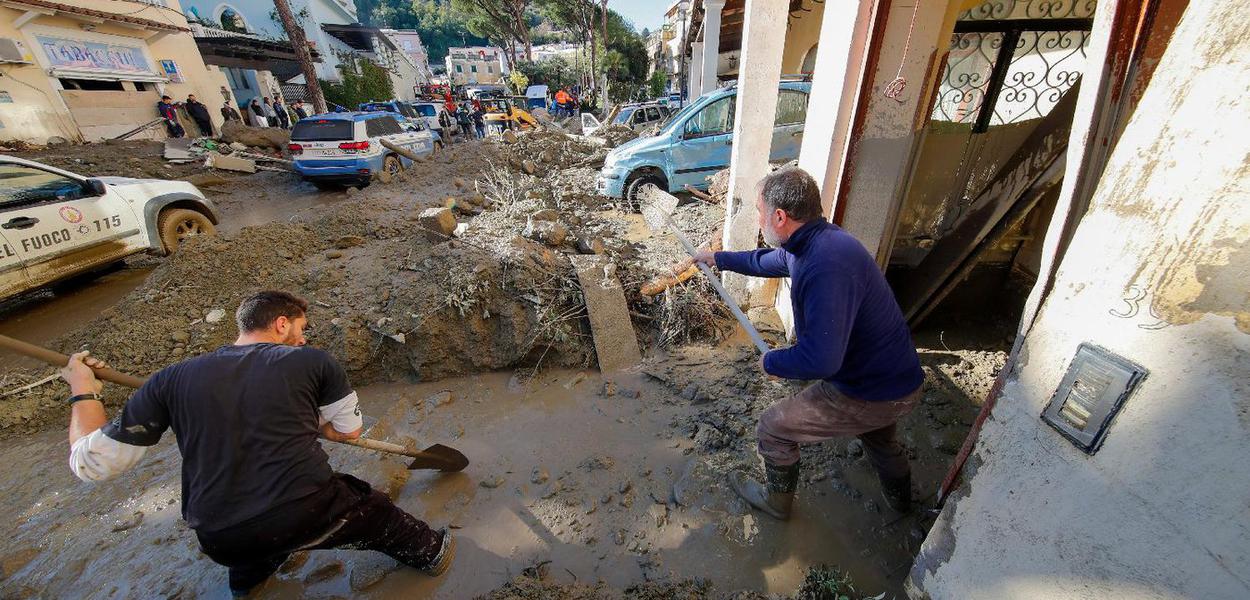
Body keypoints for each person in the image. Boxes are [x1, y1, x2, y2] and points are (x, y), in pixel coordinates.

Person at [62, 291, 455, 596]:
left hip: (218, 536)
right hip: (306, 510)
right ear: (281, 324)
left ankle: (247, 584)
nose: (303, 339)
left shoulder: (170, 380)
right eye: (301, 329)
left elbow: (91, 462)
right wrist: (319, 427)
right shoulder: (312, 362)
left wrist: (83, 392)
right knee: (375, 510)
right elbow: (349, 431)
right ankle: (432, 552)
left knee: (252, 540)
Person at [693, 167, 925, 520]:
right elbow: (766, 260)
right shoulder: (816, 241)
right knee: (879, 438)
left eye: (759, 211)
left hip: (869, 388)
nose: (758, 219)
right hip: (895, 377)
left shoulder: (824, 266)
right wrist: (720, 259)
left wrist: (773, 363)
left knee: (774, 426)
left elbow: (821, 361)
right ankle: (902, 506)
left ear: (780, 217)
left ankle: (777, 505)